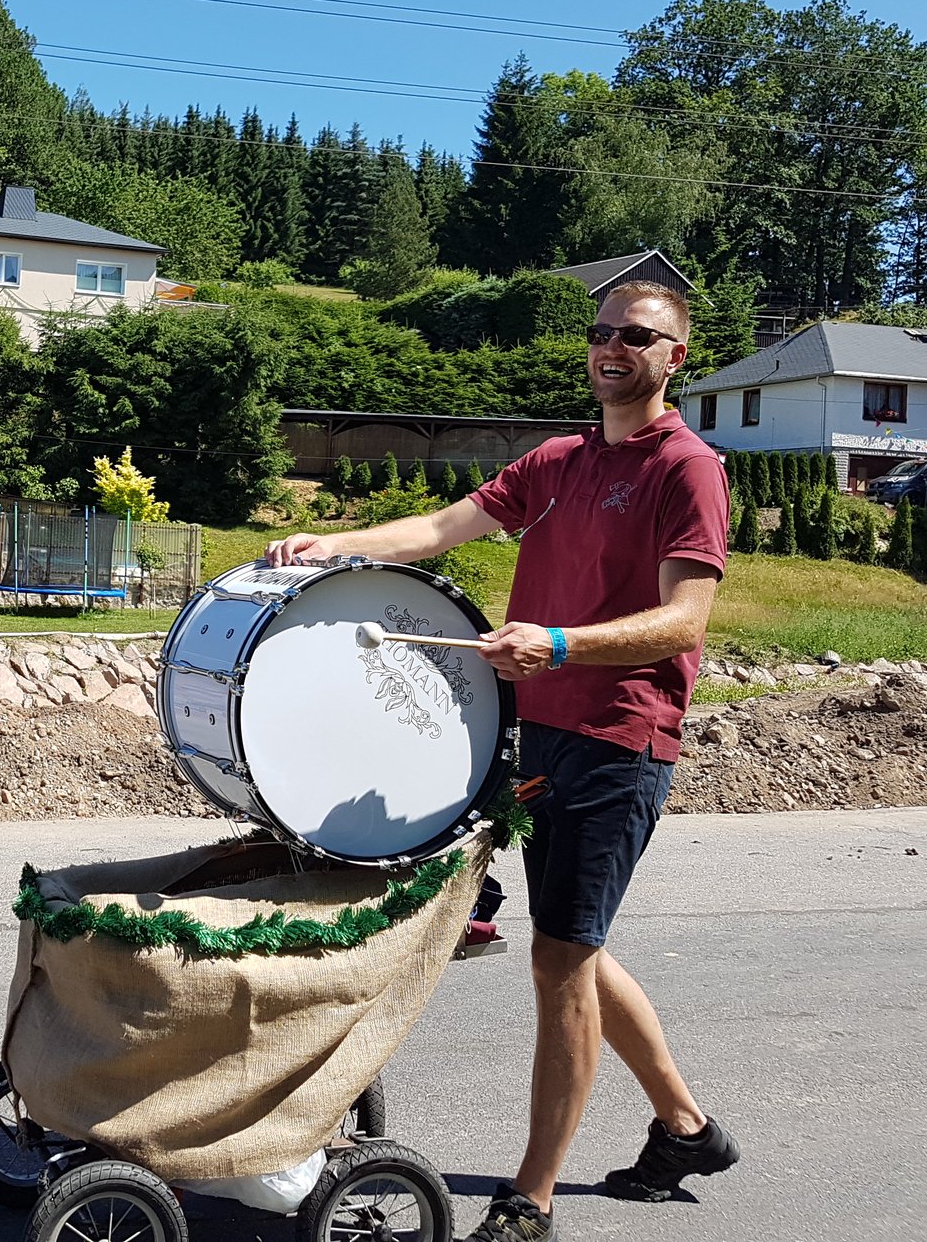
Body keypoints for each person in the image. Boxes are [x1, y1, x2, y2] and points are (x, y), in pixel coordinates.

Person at [266, 281, 737, 1242]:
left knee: (561, 954)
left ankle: (531, 1199)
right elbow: (445, 529)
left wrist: (557, 646)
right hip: (541, 736)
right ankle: (686, 1128)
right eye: (603, 333)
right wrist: (335, 547)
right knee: (577, 942)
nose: (614, 349)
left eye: (638, 338)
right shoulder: (560, 459)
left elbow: (685, 619)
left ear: (675, 356)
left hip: (621, 739)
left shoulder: (688, 469)